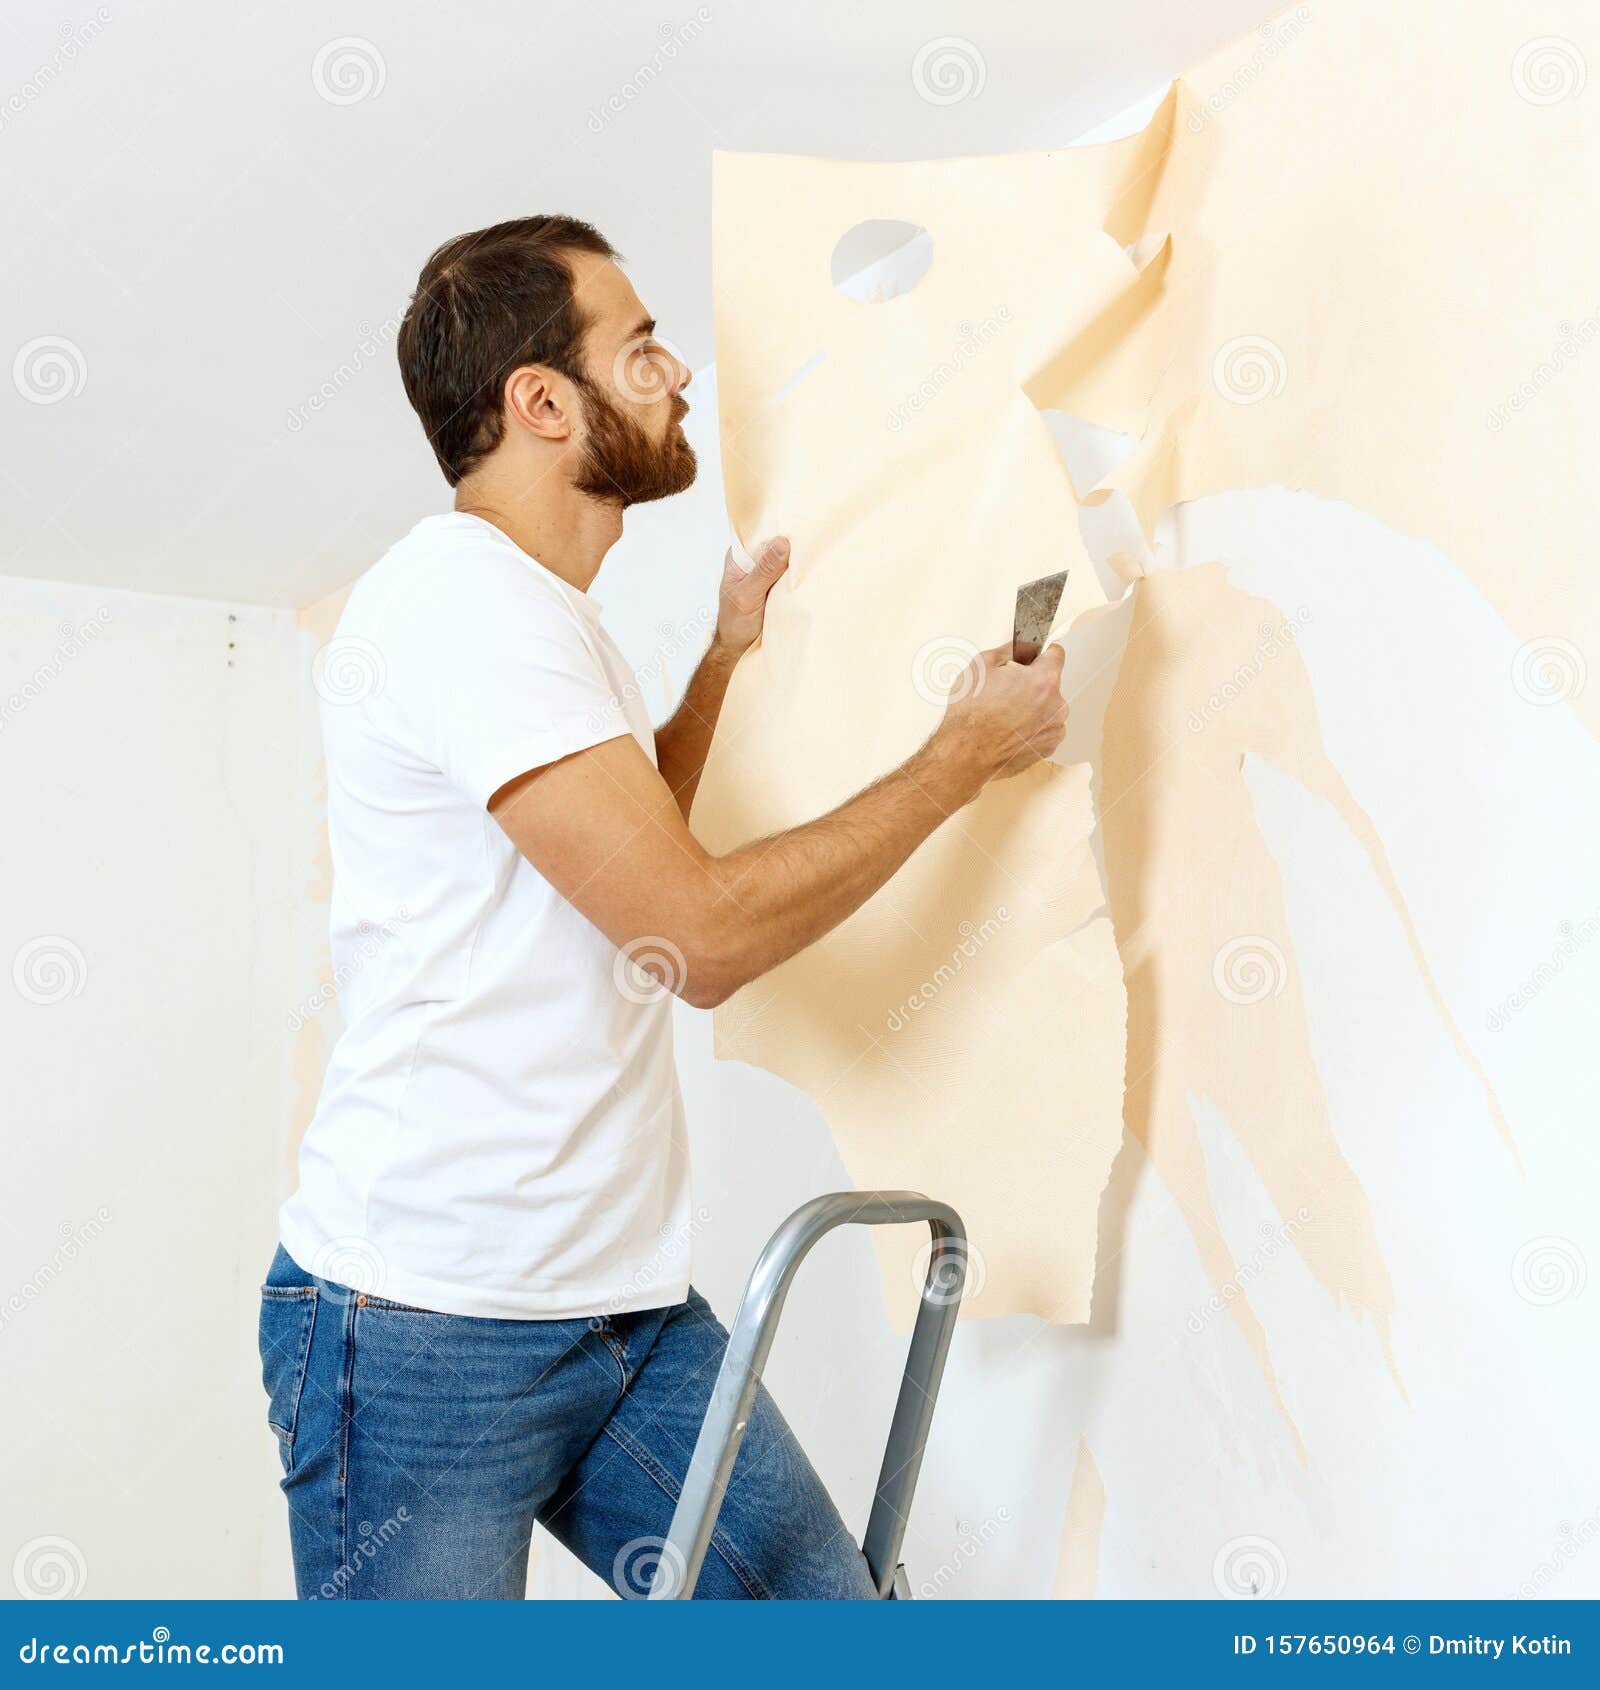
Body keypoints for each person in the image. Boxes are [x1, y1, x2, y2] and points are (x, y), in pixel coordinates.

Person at [261, 215, 1068, 1600]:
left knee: (832, 1623)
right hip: (420, 1333)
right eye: (638, 345)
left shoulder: (543, 619)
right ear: (541, 401)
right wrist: (961, 758)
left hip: (620, 1311)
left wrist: (720, 660)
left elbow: (620, 869)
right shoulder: (465, 608)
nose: (677, 367)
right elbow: (693, 941)